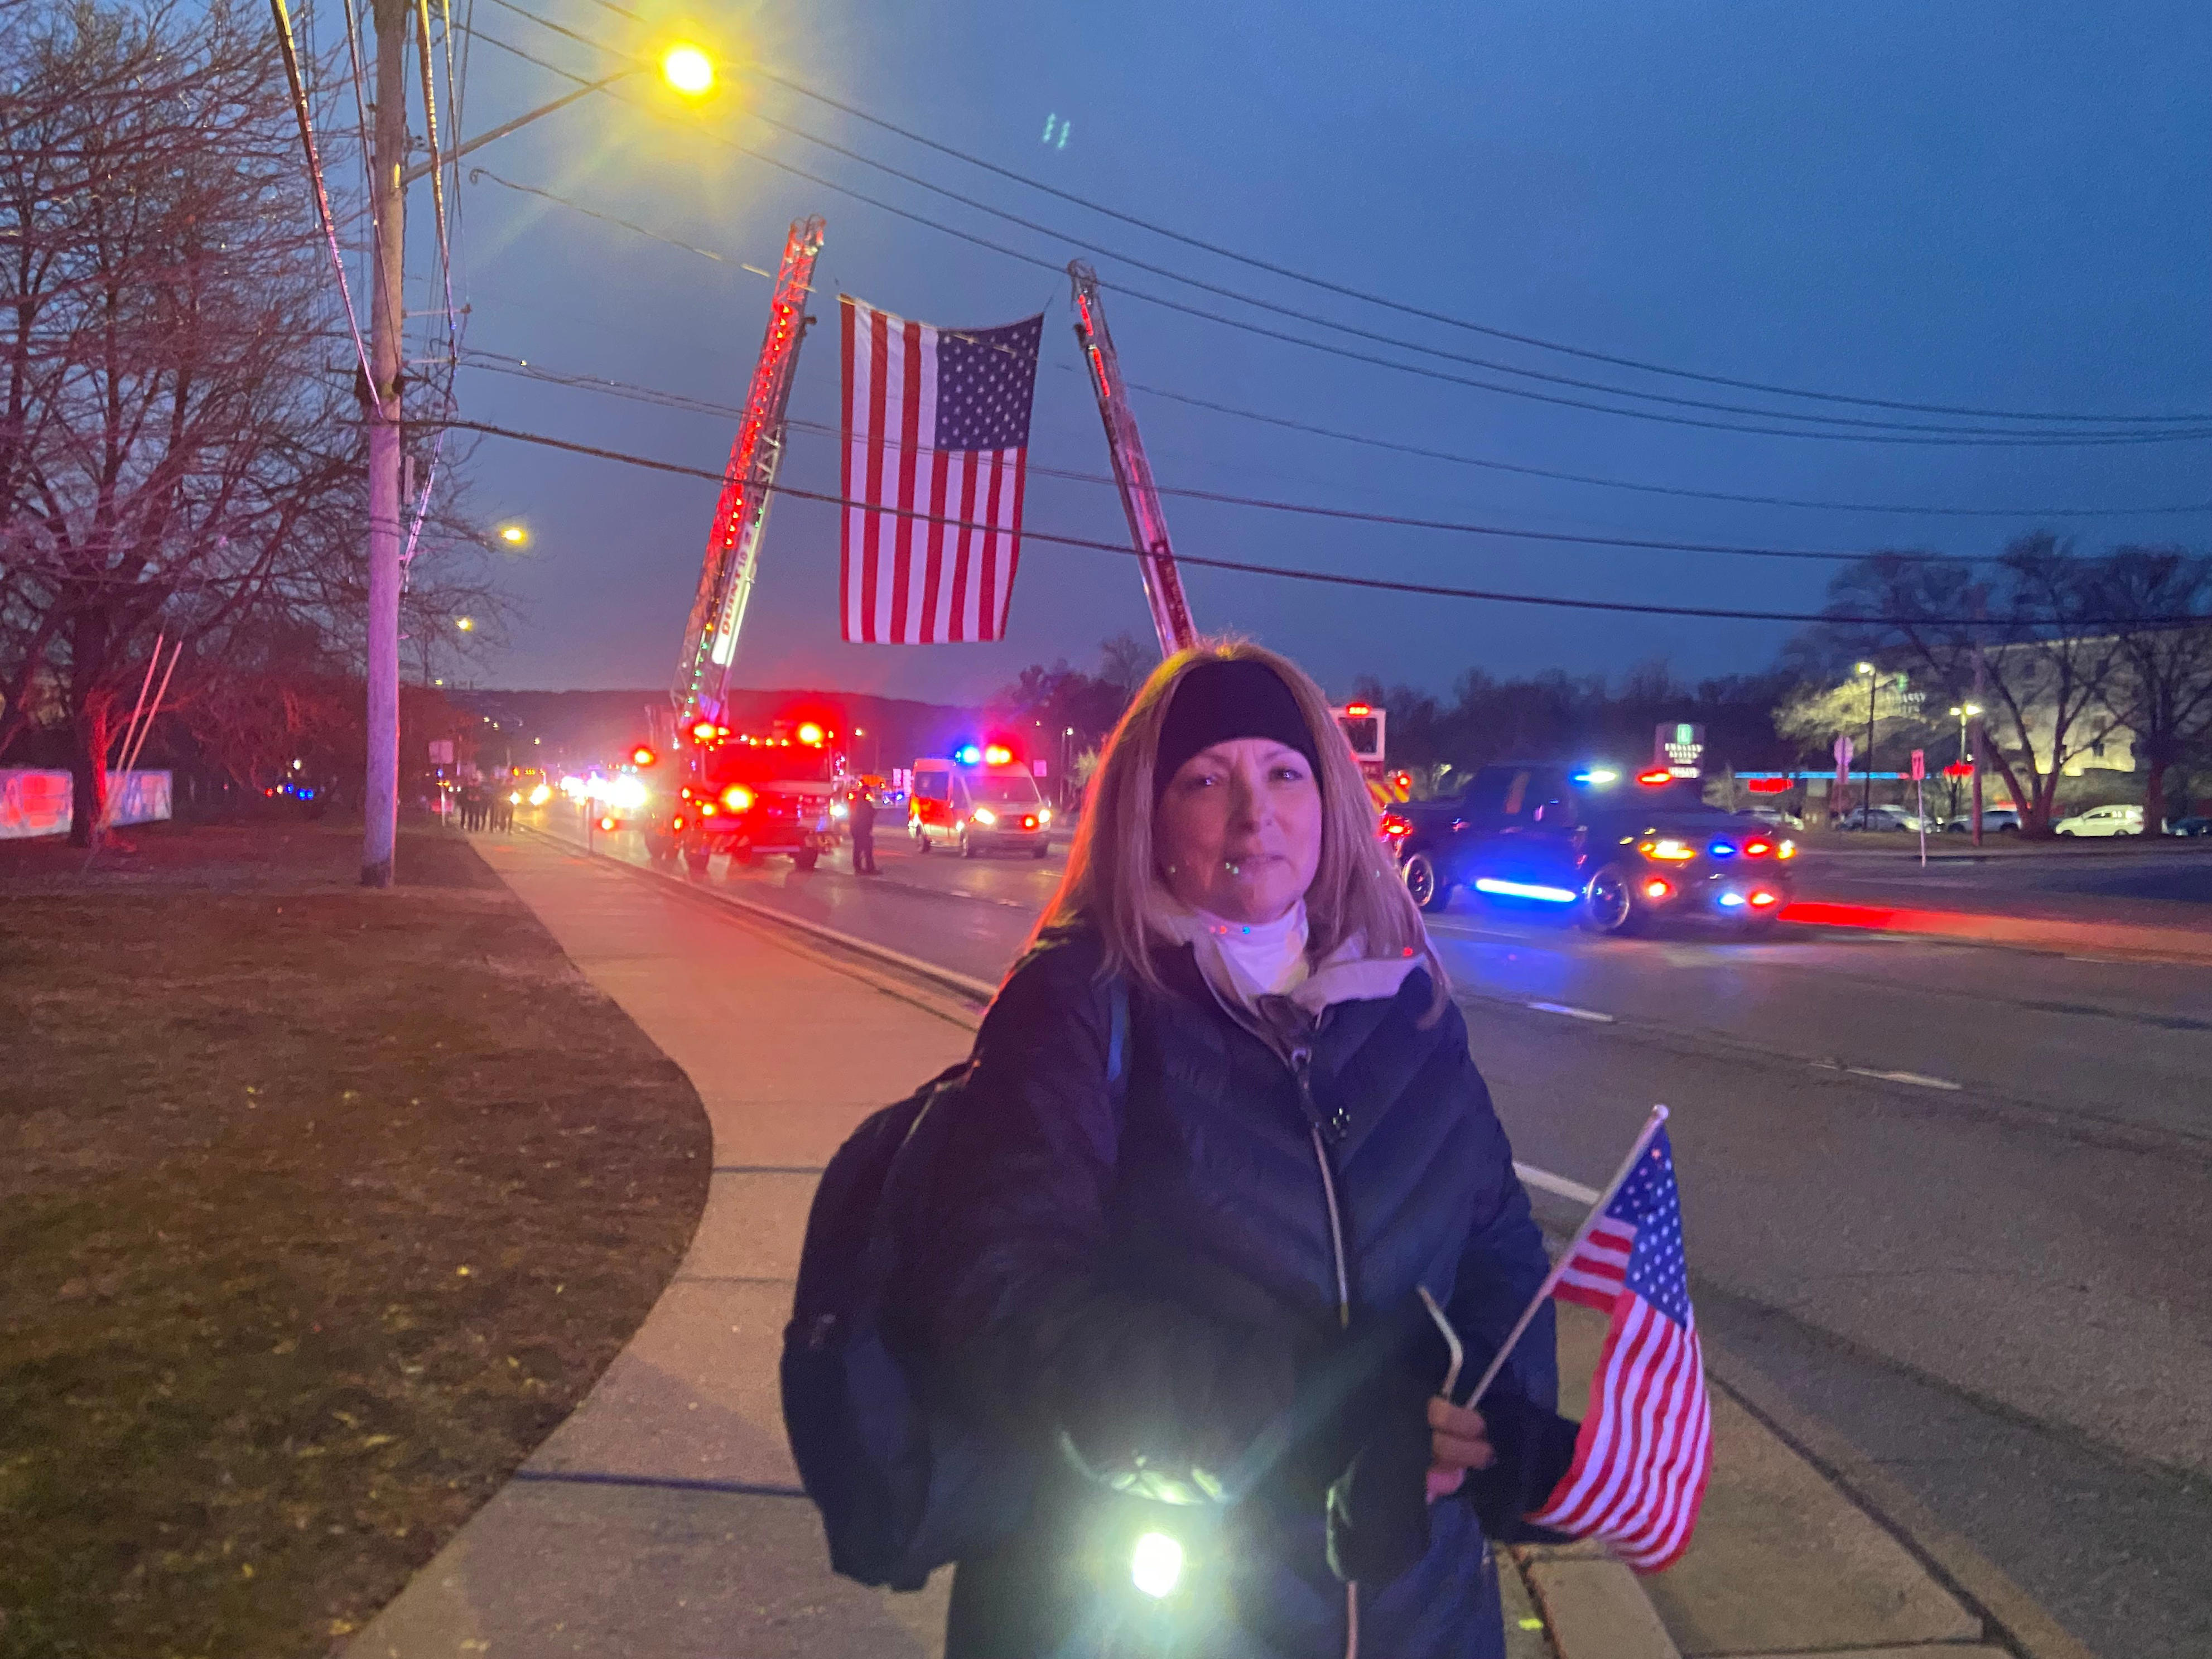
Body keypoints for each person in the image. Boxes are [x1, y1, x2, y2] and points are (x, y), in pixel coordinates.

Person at [895, 642, 1575, 1659]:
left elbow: (1498, 1245)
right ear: (1148, 815)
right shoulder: (1078, 1004)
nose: (1256, 814)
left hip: (1417, 1610)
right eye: (1208, 779)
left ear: (1330, 800)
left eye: (1285, 773)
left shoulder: (1405, 1005)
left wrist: (1496, 1413)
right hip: (1163, 1609)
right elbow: (1000, 1300)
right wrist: (1293, 1420)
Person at [849, 784, 879, 874]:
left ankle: (862, 868)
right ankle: (867, 868)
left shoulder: (858, 799)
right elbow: (866, 814)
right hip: (862, 829)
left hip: (858, 829)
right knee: (865, 849)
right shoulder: (863, 800)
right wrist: (874, 812)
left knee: (860, 849)